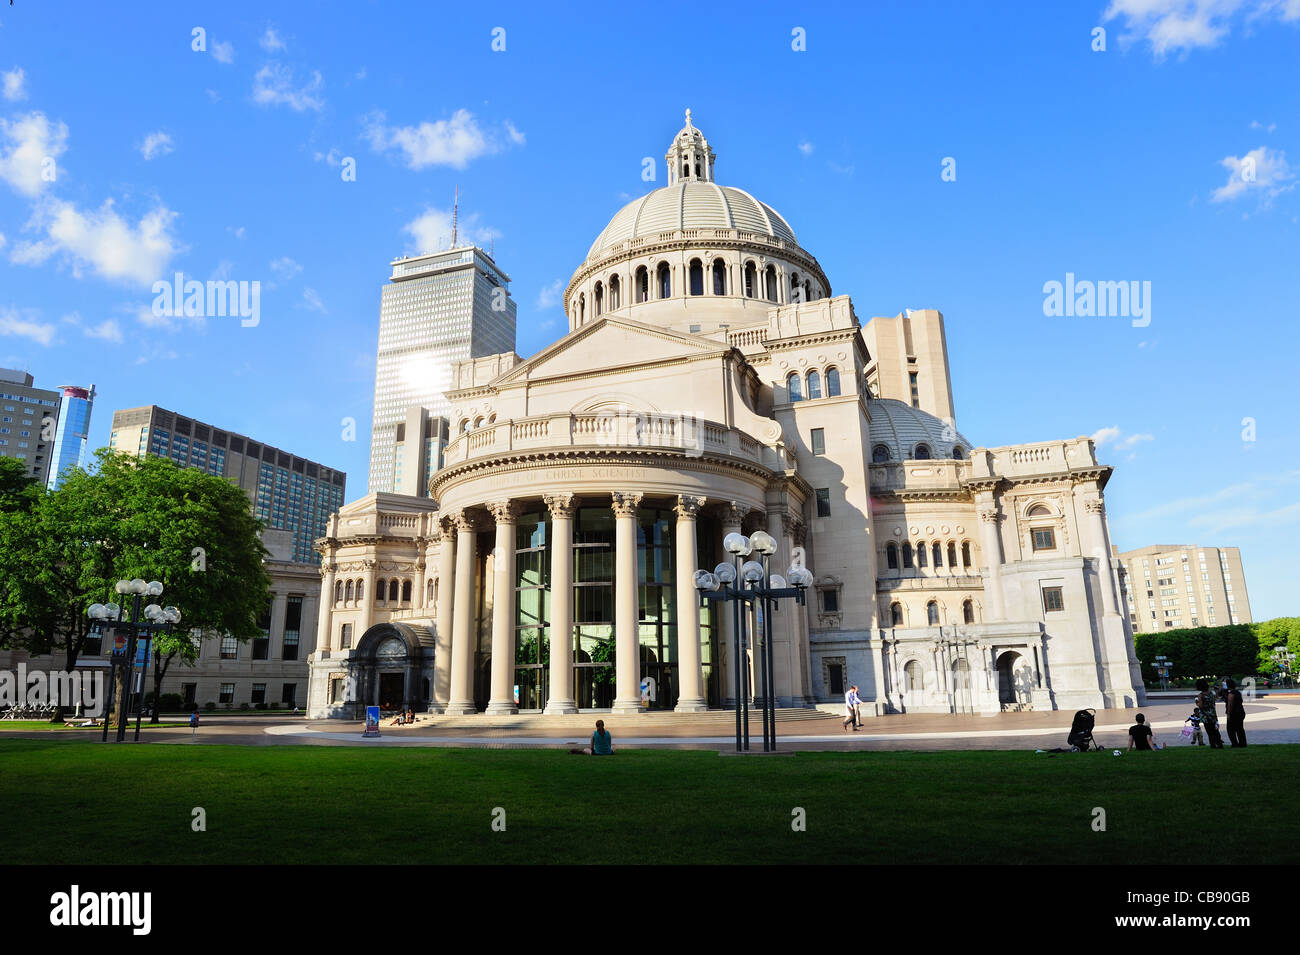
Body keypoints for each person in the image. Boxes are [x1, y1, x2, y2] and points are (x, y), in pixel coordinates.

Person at [1195, 679, 1224, 748]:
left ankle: (1213, 745)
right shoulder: (1211, 693)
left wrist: (1197, 703)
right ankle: (1219, 744)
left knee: (1209, 731)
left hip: (1205, 716)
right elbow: (1214, 702)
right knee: (1215, 730)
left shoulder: (1201, 695)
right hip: (1213, 714)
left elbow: (1201, 706)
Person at [1224, 678, 1247, 747]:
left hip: (1234, 713)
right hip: (1241, 712)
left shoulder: (1231, 694)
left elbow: (1230, 705)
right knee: (1240, 729)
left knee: (1230, 729)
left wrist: (1228, 714)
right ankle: (1243, 743)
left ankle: (1234, 743)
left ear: (1228, 685)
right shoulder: (1237, 692)